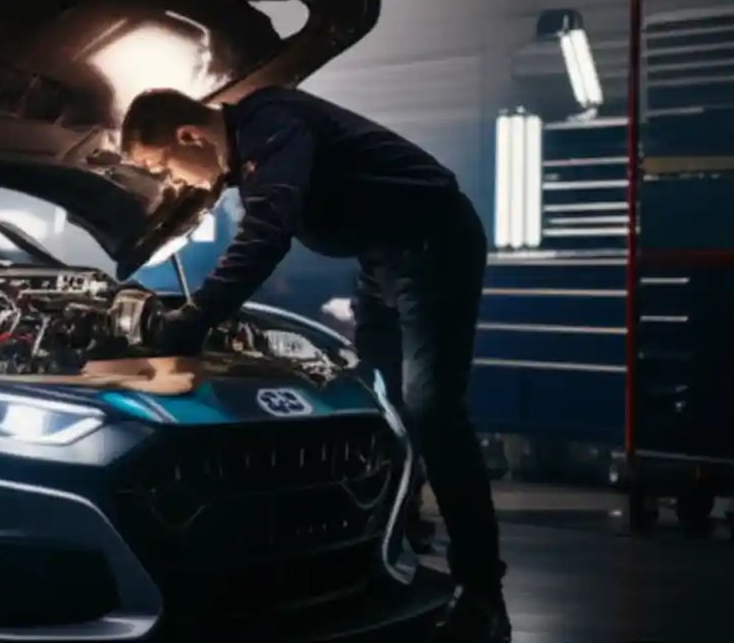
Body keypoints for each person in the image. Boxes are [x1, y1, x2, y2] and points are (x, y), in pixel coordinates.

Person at [120, 86, 511, 643]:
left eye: (167, 168)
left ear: (190, 136)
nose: (176, 183)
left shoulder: (271, 124)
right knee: (383, 404)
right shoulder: (248, 151)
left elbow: (267, 233)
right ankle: (399, 537)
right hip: (381, 257)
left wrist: (193, 320)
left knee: (432, 409)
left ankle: (483, 595)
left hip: (433, 244)